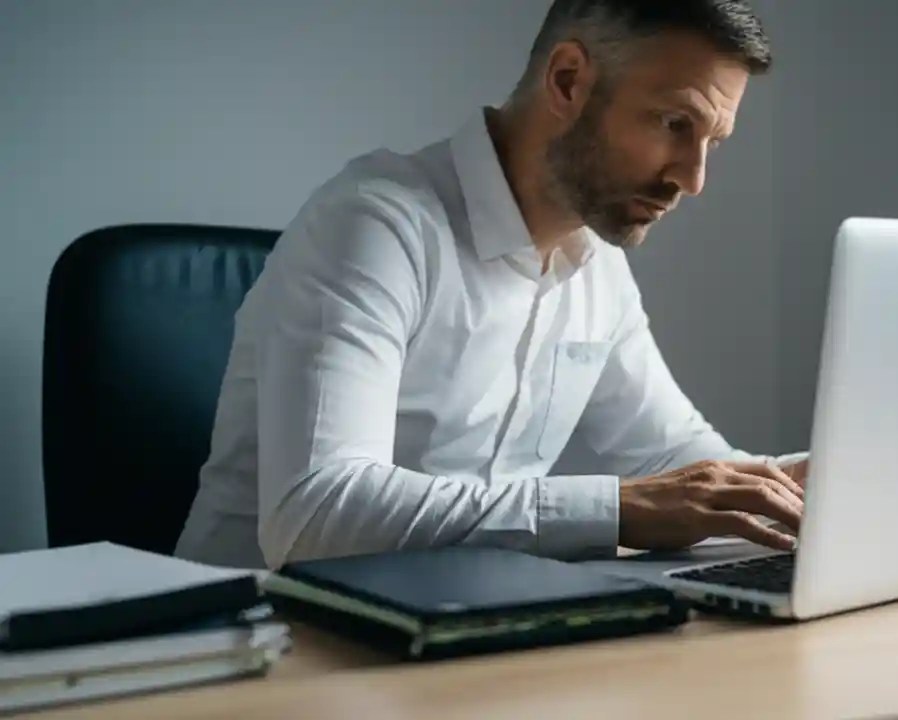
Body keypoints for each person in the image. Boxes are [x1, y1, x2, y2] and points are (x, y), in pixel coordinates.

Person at [175, 0, 808, 570]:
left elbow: (678, 462)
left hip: (455, 637)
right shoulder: (376, 224)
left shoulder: (597, 267)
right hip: (256, 650)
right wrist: (617, 509)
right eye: (675, 123)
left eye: (712, 143)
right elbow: (314, 514)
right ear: (568, 81)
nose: (692, 178)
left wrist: (813, 484)